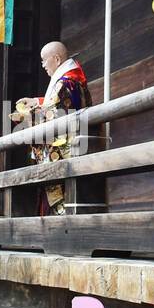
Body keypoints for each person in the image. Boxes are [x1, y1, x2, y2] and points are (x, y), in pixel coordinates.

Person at [14, 40, 92, 215]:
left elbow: (57, 114)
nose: (42, 65)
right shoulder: (68, 79)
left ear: (56, 59)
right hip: (66, 147)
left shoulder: (67, 82)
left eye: (44, 60)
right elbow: (57, 103)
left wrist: (27, 116)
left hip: (66, 150)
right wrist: (35, 102)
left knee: (61, 205)